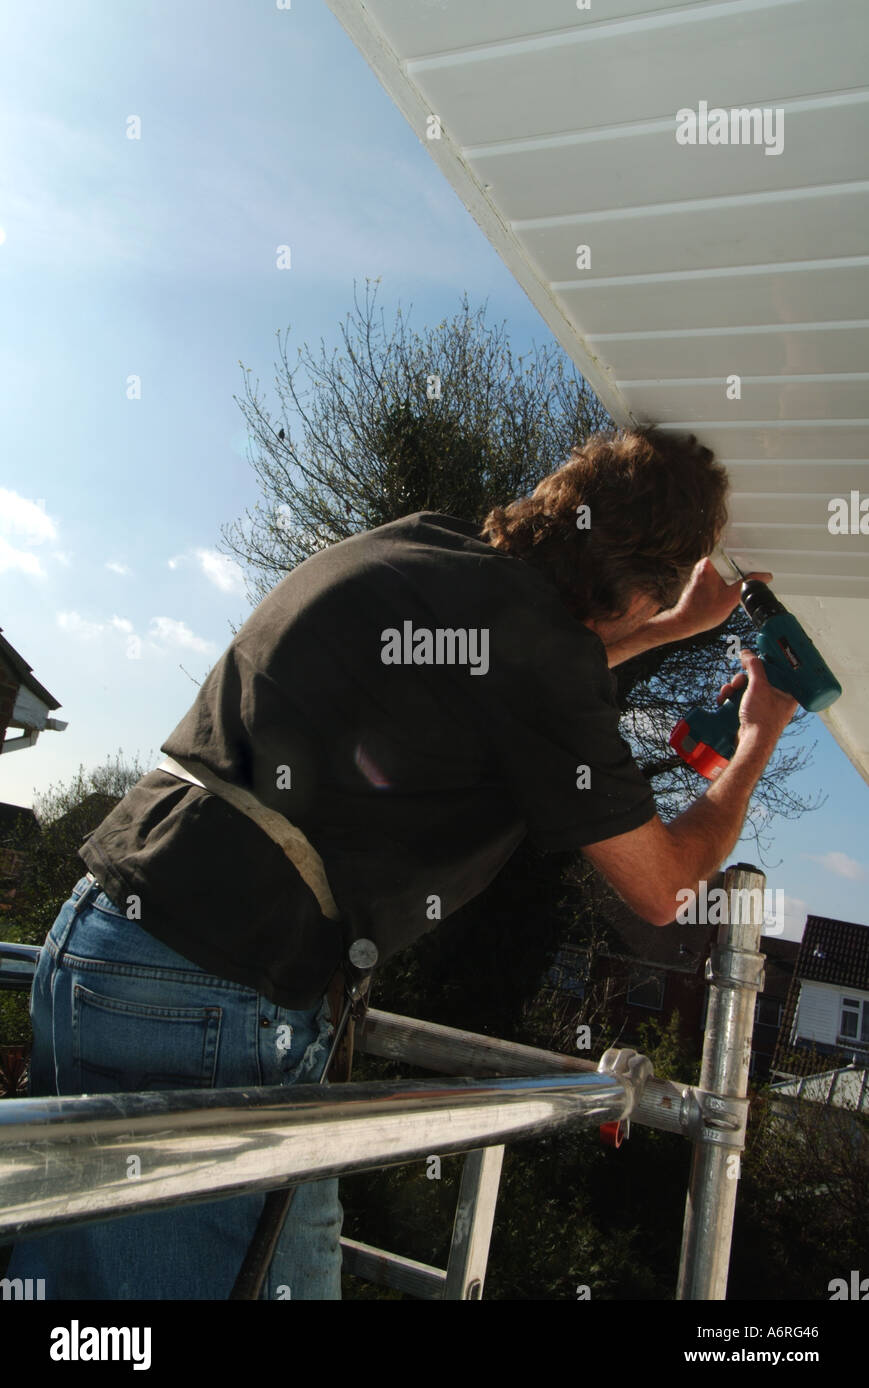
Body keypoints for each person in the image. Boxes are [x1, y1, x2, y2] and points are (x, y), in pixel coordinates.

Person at [6, 426, 797, 1299]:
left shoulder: (425, 542)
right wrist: (757, 738)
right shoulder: (535, 651)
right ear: (637, 589)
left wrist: (669, 628)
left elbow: (517, 670)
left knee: (102, 1284)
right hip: (212, 990)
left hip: (110, 936)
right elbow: (662, 887)